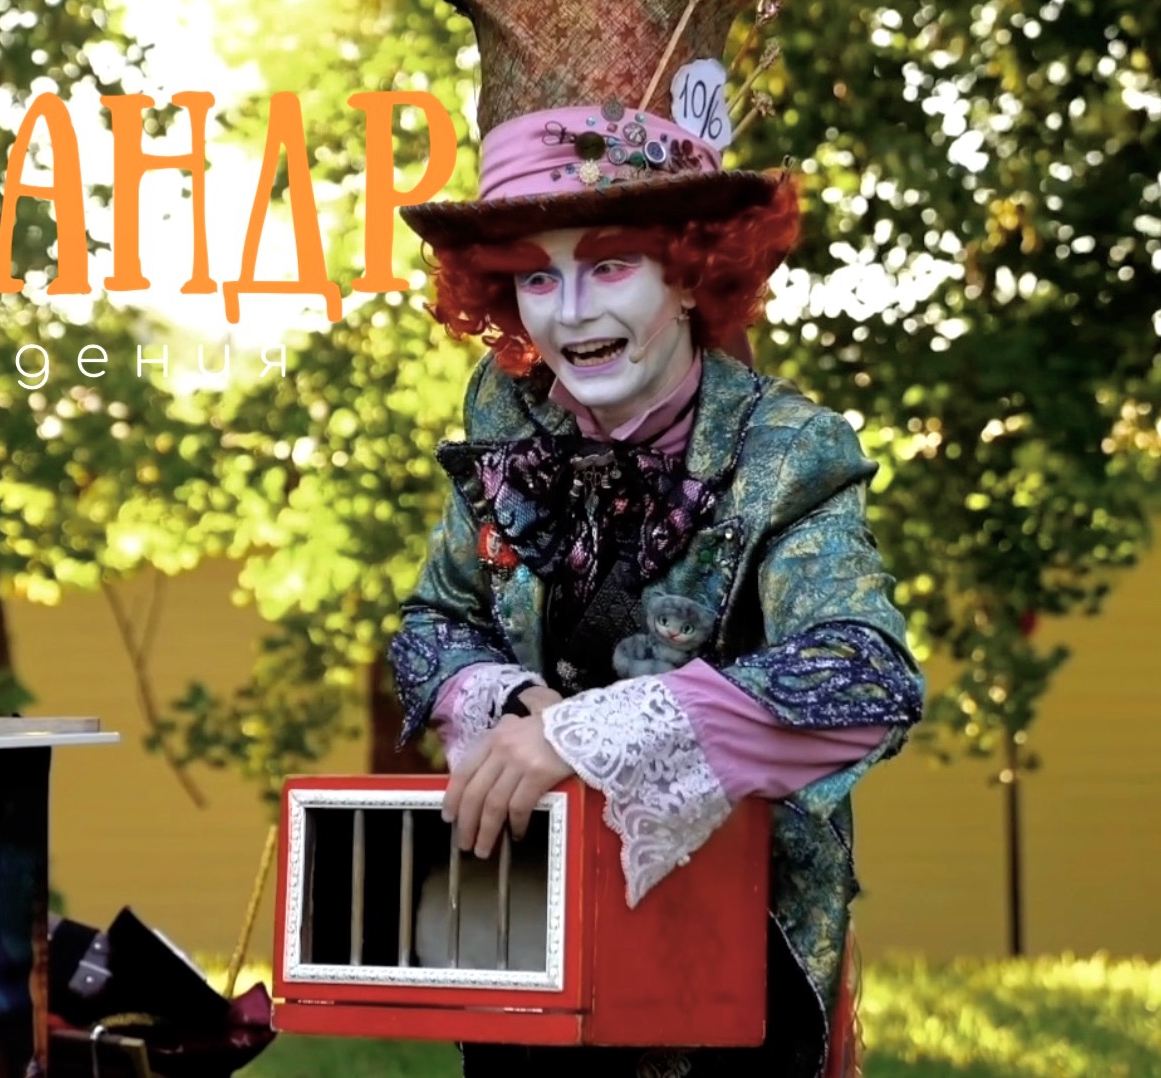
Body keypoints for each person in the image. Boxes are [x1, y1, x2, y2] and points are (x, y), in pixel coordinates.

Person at [384, 0, 925, 1075]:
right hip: (527, 951)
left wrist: (586, 737)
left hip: (728, 969)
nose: (569, 311)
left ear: (690, 270)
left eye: (611, 263)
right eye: (537, 275)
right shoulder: (504, 429)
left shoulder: (788, 450)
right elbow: (431, 624)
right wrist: (512, 705)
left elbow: (865, 676)